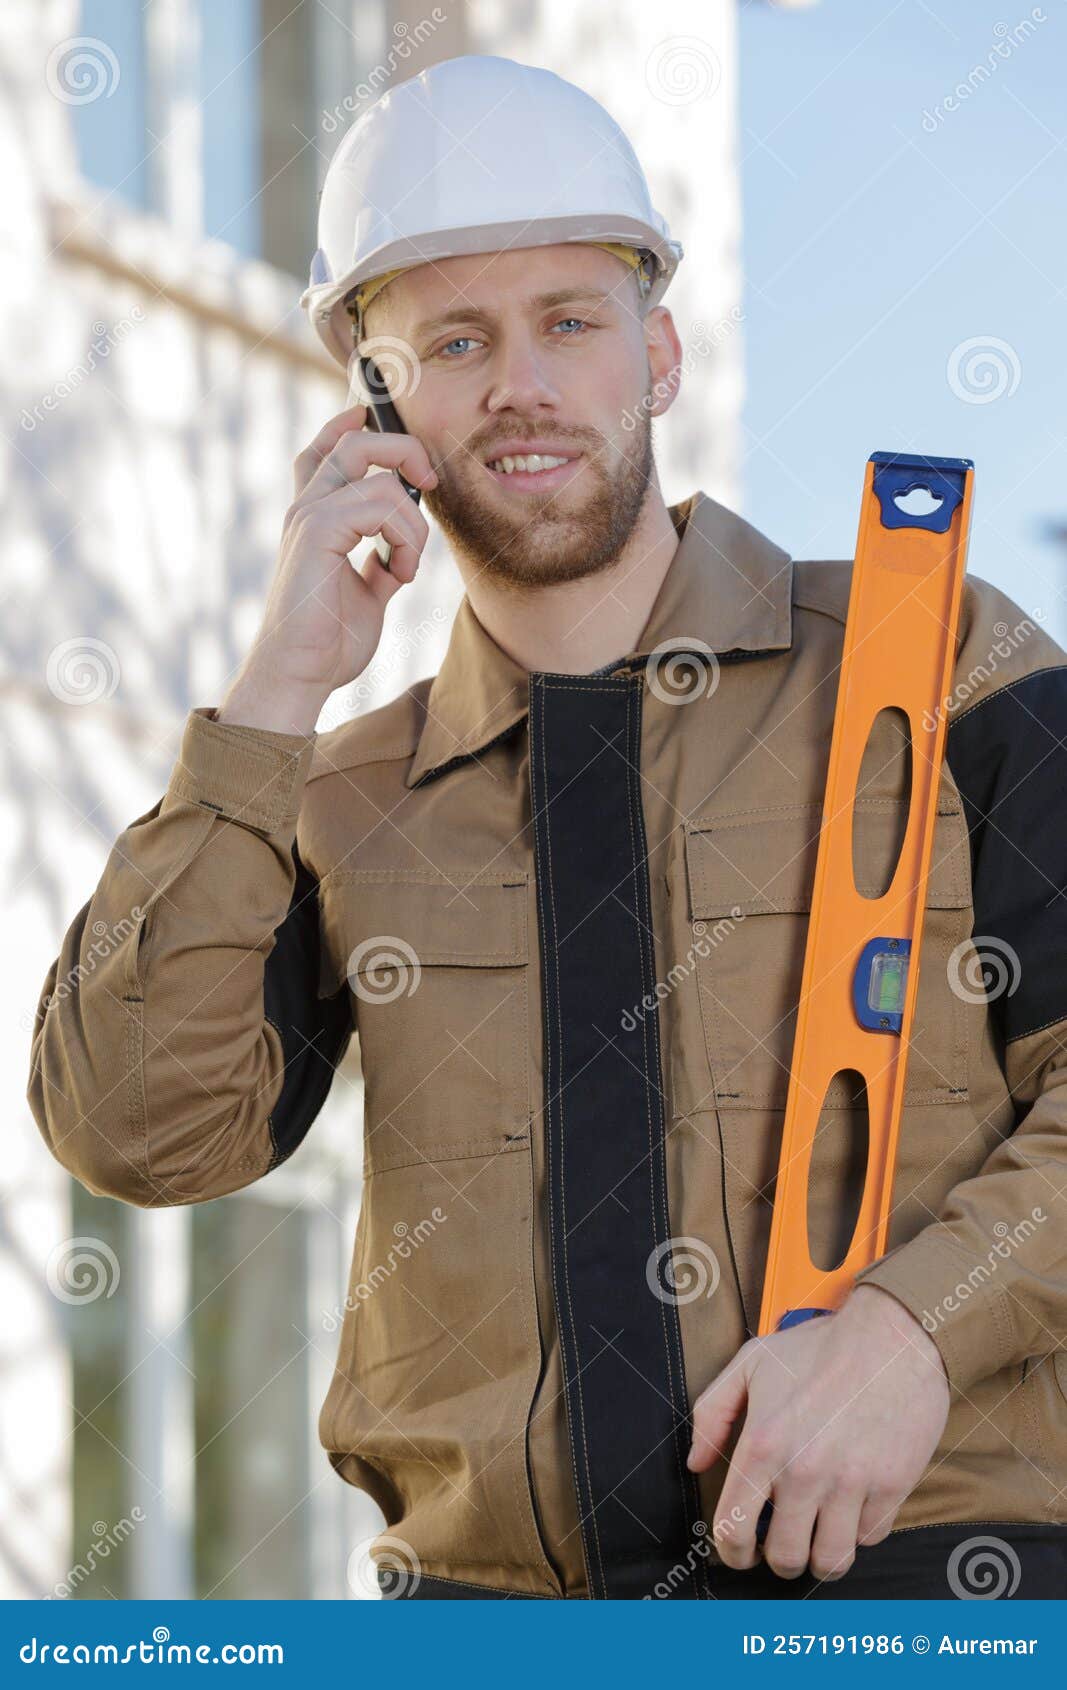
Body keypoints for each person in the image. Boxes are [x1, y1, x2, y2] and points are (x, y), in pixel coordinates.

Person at [28, 54, 1067, 1601]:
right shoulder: (326, 794)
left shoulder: (934, 656)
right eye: (454, 341)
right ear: (380, 408)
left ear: (655, 352)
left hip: (920, 1598)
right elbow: (134, 1130)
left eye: (568, 323)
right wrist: (276, 689)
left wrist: (919, 1327)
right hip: (486, 1632)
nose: (519, 384)